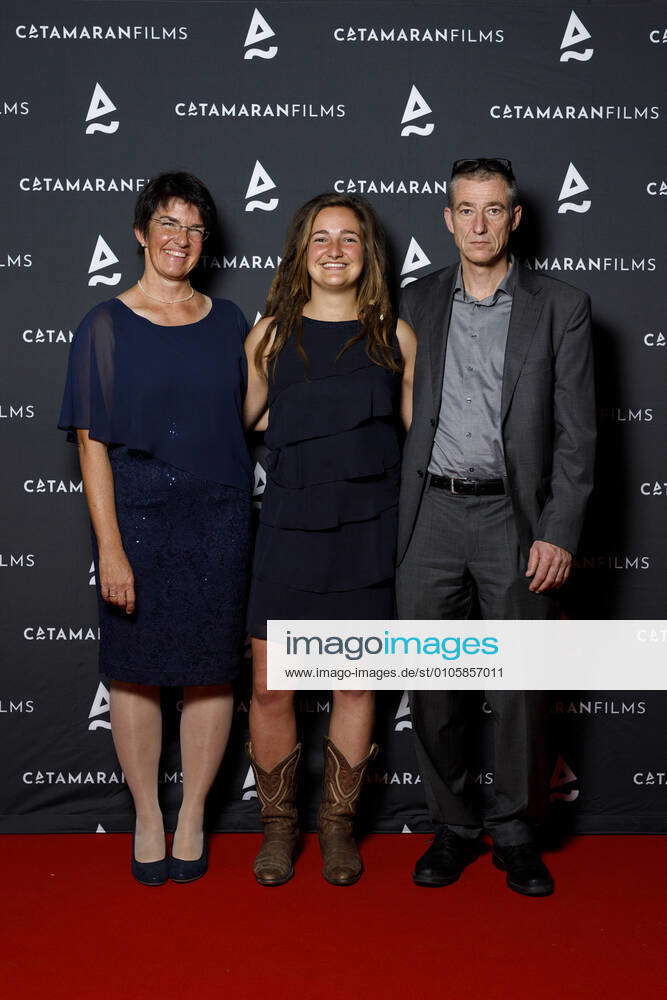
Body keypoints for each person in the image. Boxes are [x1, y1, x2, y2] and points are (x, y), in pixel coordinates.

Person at [396, 158, 595, 897]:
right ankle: (452, 826)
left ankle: (513, 831)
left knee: (520, 689)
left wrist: (559, 530)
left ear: (514, 218)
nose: (477, 223)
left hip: (516, 522)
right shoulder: (414, 302)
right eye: (464, 209)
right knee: (433, 684)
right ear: (447, 219)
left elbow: (578, 436)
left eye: (493, 209)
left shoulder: (560, 306)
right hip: (430, 517)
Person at [59, 172, 253, 886]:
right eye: (168, 224)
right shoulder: (104, 323)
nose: (181, 239)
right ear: (141, 233)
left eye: (194, 228)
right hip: (137, 513)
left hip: (220, 513)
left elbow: (254, 414)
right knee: (134, 674)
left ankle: (194, 812)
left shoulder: (232, 321)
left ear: (207, 242)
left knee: (210, 674)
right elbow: (90, 442)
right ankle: (147, 813)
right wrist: (110, 545)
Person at [243, 193, 416, 886]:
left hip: (366, 535)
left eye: (349, 238)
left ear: (366, 253)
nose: (335, 249)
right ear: (301, 250)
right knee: (270, 691)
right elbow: (226, 427)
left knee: (353, 689)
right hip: (286, 532)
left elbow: (423, 444)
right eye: (321, 238)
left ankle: (338, 829)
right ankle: (280, 829)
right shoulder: (269, 335)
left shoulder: (395, 338)